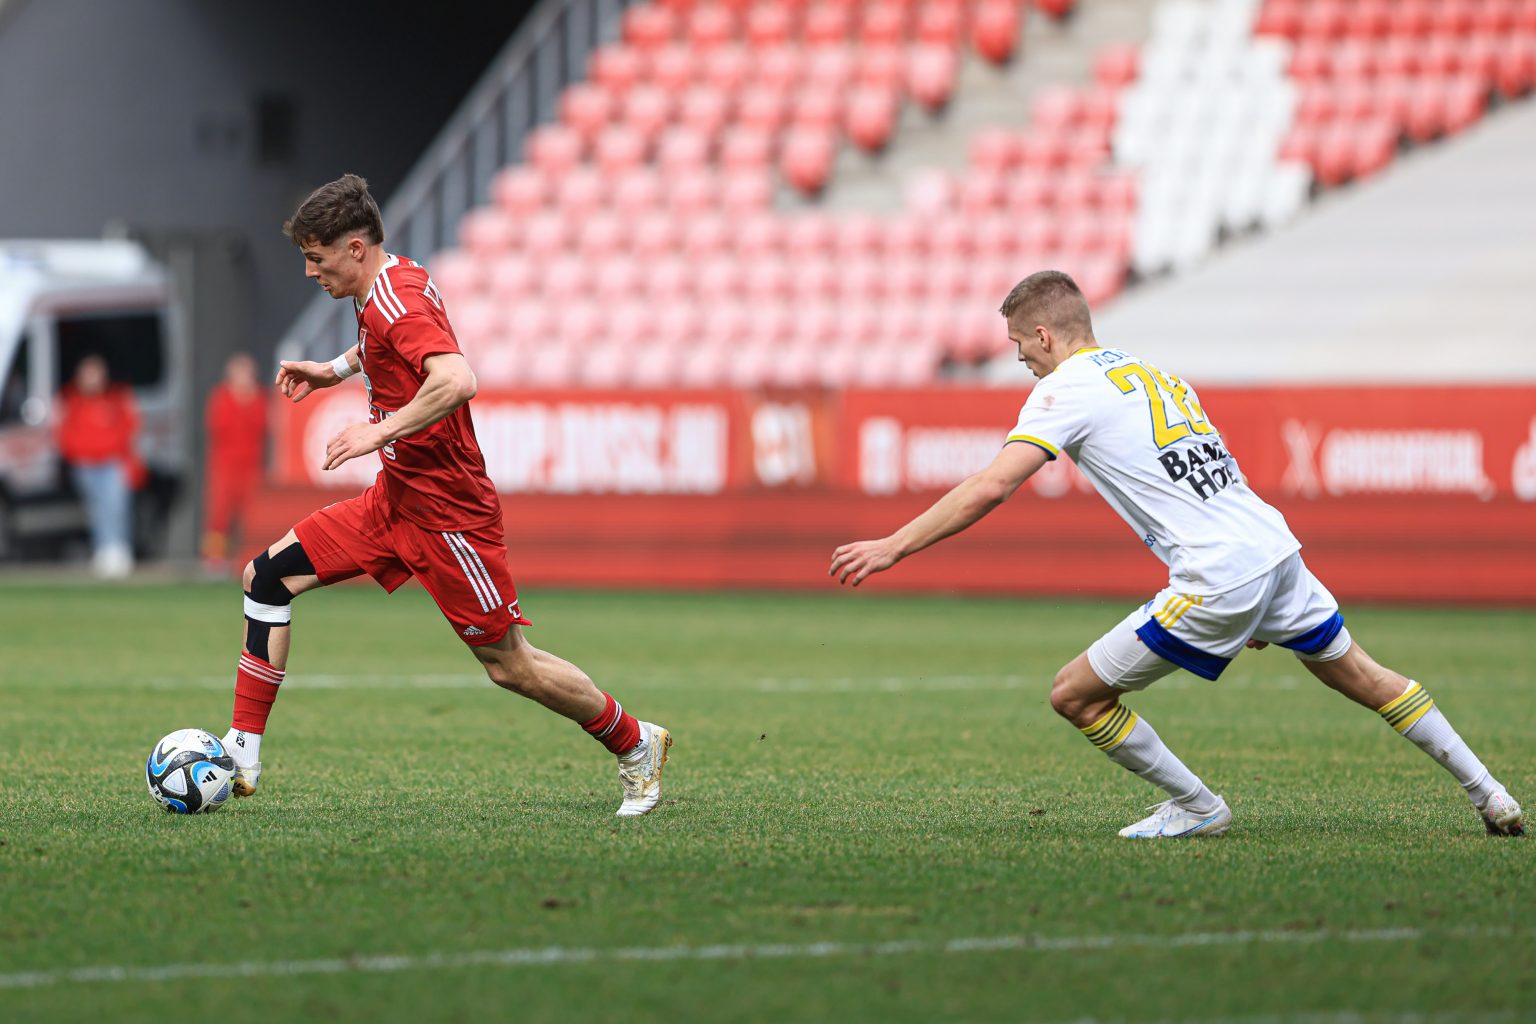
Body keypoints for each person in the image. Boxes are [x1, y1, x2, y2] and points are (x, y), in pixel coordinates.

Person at [830, 270, 1523, 839]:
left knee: (1076, 695)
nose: (1019, 359)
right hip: (1271, 548)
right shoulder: (1151, 373)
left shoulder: (1064, 388)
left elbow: (991, 486)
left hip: (1221, 570)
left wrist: (894, 545)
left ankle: (1198, 807)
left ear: (1045, 334)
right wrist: (1256, 600)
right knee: (1367, 678)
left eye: (1020, 344)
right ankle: (1492, 796)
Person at [221, 174, 671, 816]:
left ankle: (636, 744)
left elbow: (457, 379)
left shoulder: (395, 299)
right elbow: (388, 342)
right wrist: (334, 371)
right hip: (394, 501)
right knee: (265, 578)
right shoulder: (389, 282)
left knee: (511, 666)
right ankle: (242, 755)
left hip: (449, 516)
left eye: (315, 260)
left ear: (353, 248)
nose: (309, 273)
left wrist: (378, 430)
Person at [56, 354, 141, 578]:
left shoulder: (115, 398)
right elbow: (64, 433)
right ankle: (104, 549)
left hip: (111, 462)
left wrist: (119, 453)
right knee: (97, 509)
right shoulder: (72, 401)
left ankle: (119, 549)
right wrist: (76, 454)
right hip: (85, 464)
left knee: (116, 505)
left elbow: (129, 427)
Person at [201, 352, 269, 572]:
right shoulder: (221, 397)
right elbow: (217, 427)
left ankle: (247, 559)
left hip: (251, 466)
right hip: (224, 465)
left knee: (250, 514)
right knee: (219, 512)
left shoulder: (259, 398)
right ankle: (214, 559)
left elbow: (263, 427)